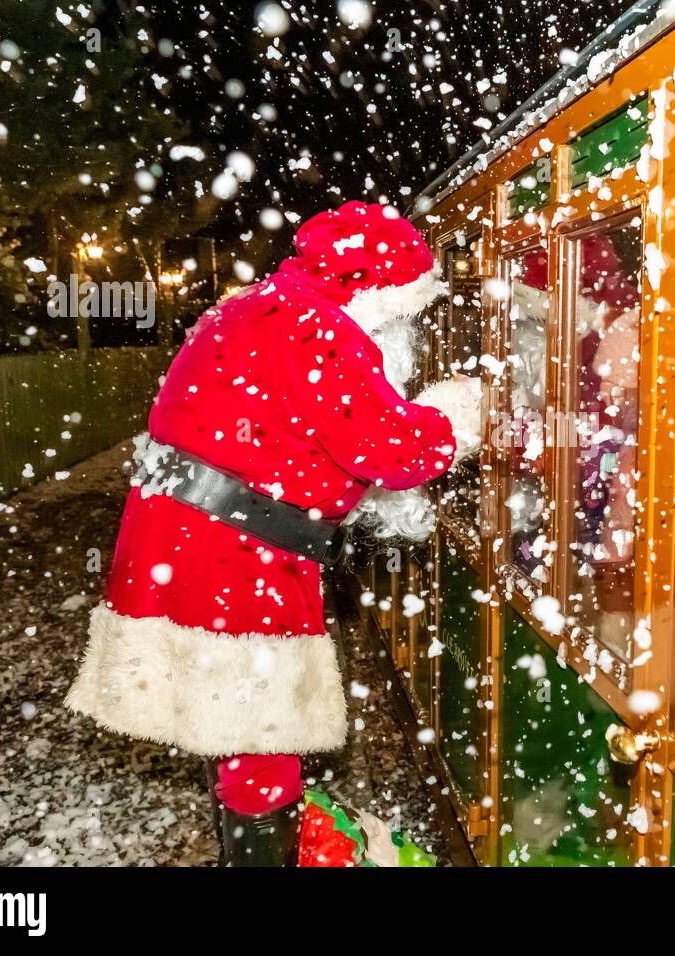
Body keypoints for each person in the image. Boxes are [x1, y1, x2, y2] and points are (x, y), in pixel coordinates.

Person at [64, 201, 484, 866]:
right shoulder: (319, 329)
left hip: (191, 537)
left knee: (235, 727)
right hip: (232, 552)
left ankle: (253, 845)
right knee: (262, 734)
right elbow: (387, 447)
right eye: (404, 307)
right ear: (374, 288)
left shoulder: (267, 307)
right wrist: (459, 416)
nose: (405, 323)